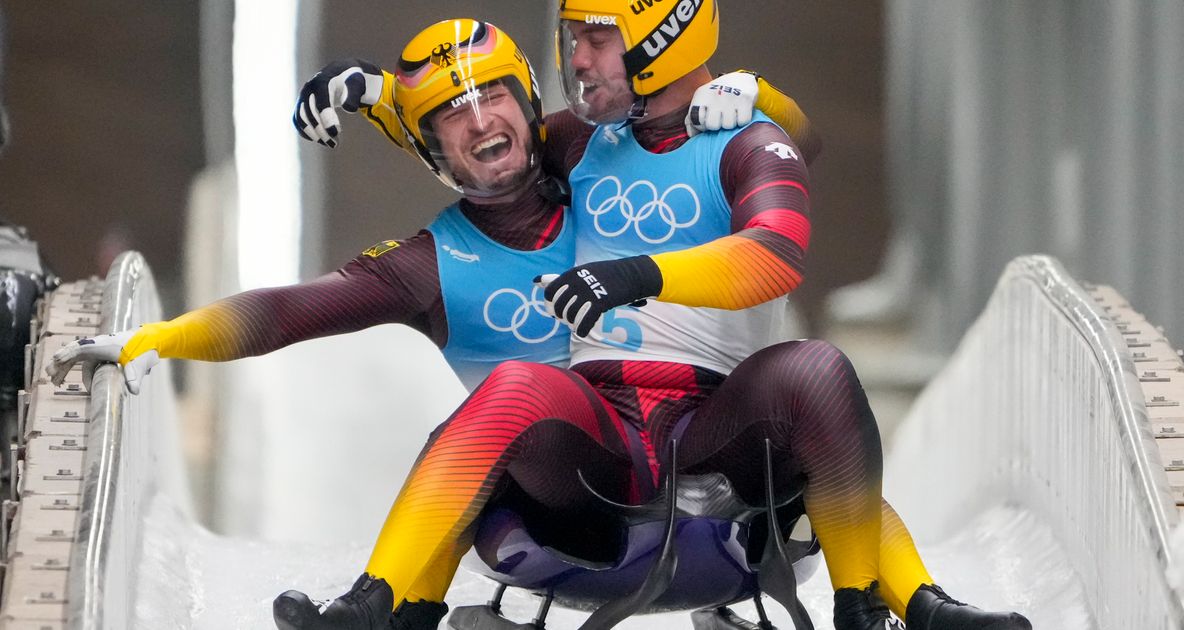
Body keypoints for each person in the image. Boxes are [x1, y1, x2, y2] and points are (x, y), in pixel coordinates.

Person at [269, 7, 1030, 630]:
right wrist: (379, 92)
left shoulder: (749, 142)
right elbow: (480, 136)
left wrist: (641, 269)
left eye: (595, 40)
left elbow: (773, 252)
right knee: (513, 387)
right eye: (573, 40)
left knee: (815, 373)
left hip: (717, 428)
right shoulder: (580, 142)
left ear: (660, 44)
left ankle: (886, 610)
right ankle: (374, 606)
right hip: (604, 429)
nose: (578, 59)